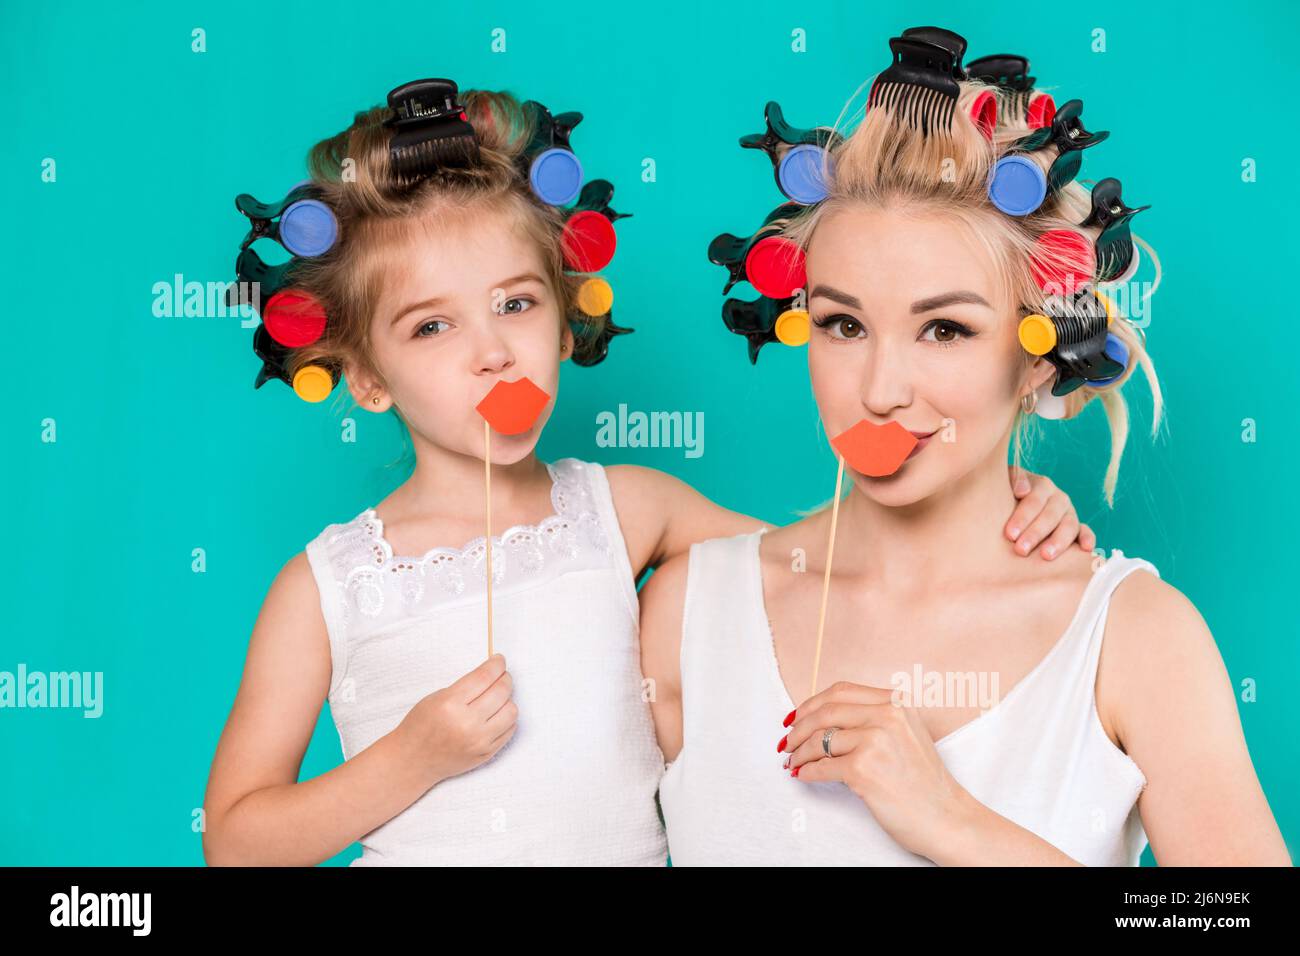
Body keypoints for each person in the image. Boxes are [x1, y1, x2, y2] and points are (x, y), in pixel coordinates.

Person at [202, 75, 1097, 866]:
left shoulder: (625, 512)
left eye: (515, 305)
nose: (491, 355)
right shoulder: (330, 585)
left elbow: (841, 568)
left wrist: (1004, 506)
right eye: (431, 327)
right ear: (363, 376)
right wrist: (410, 759)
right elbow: (237, 841)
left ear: (566, 320)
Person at [642, 27, 1291, 865]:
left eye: (944, 329)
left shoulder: (1136, 639)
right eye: (844, 325)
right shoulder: (688, 612)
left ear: (1035, 359)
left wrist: (952, 820)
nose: (879, 390)